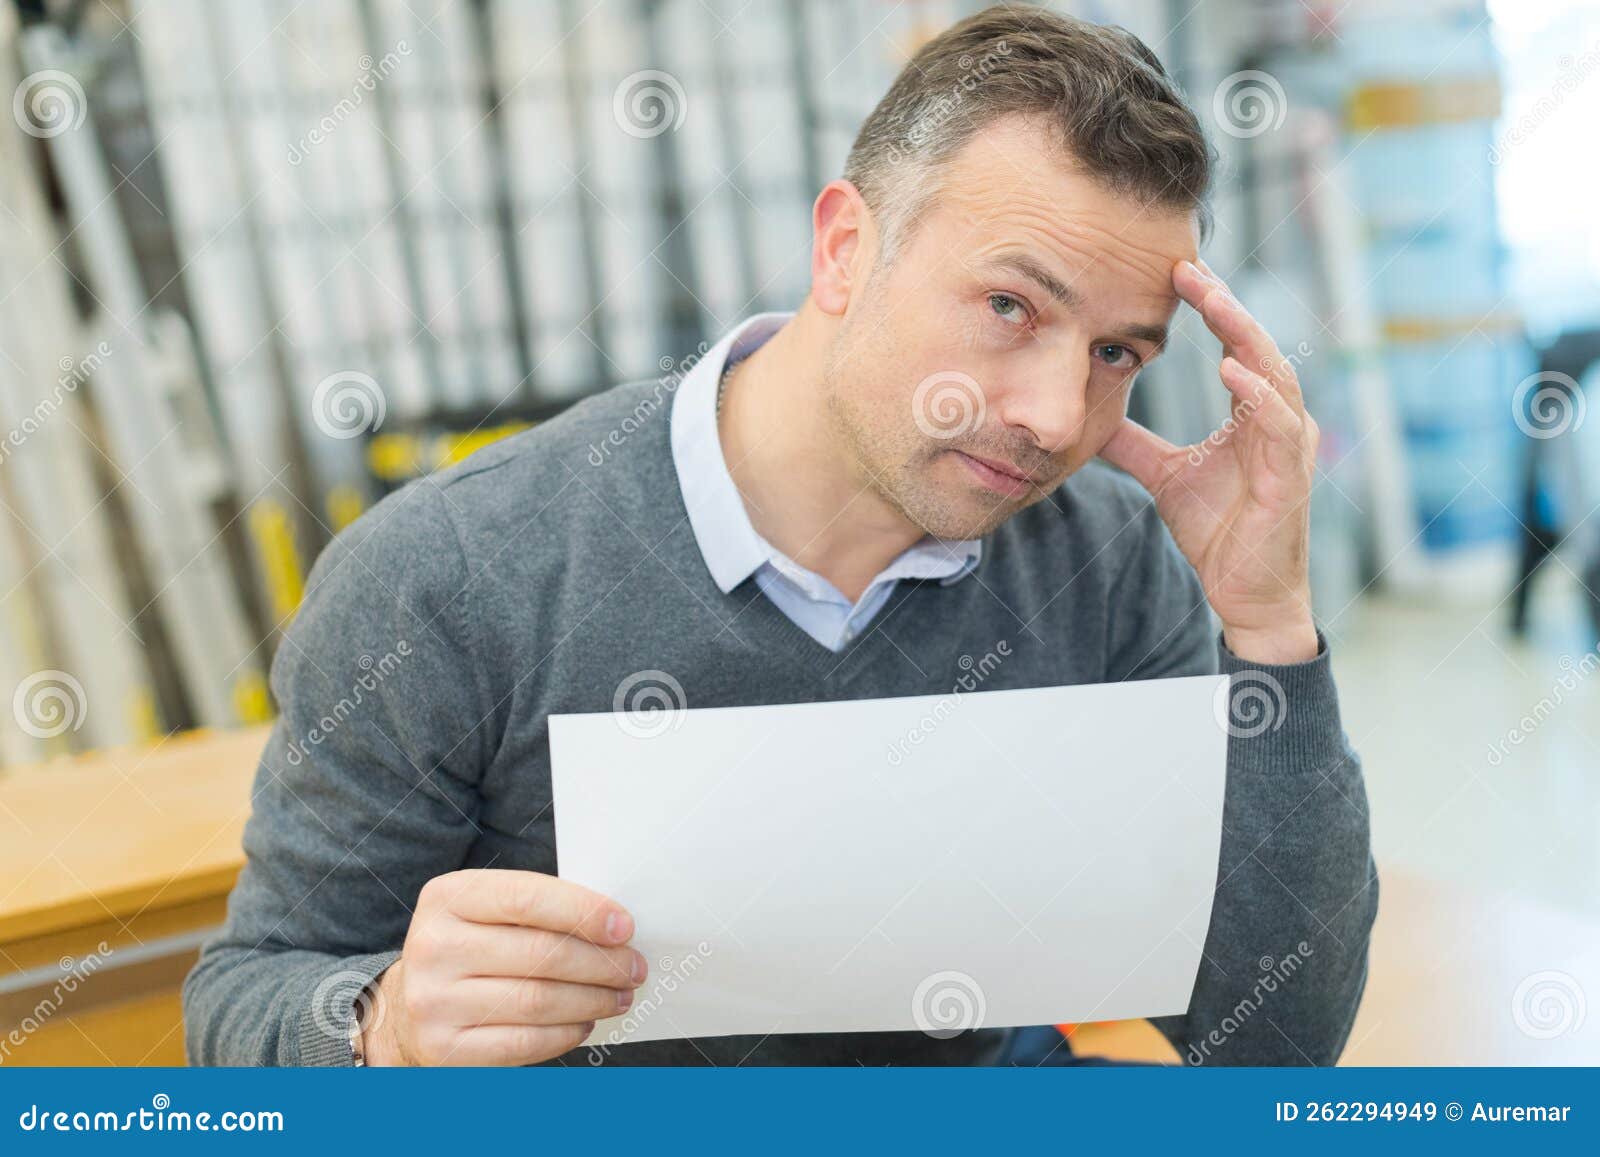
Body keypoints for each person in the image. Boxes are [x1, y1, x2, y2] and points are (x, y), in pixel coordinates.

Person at [186, 4, 1376, 1067]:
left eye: (1116, 352)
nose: (1056, 416)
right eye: (1011, 305)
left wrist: (1266, 626)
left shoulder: (1106, 554)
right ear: (846, 250)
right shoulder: (449, 574)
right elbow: (244, 995)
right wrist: (377, 1025)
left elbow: (1272, 1047)